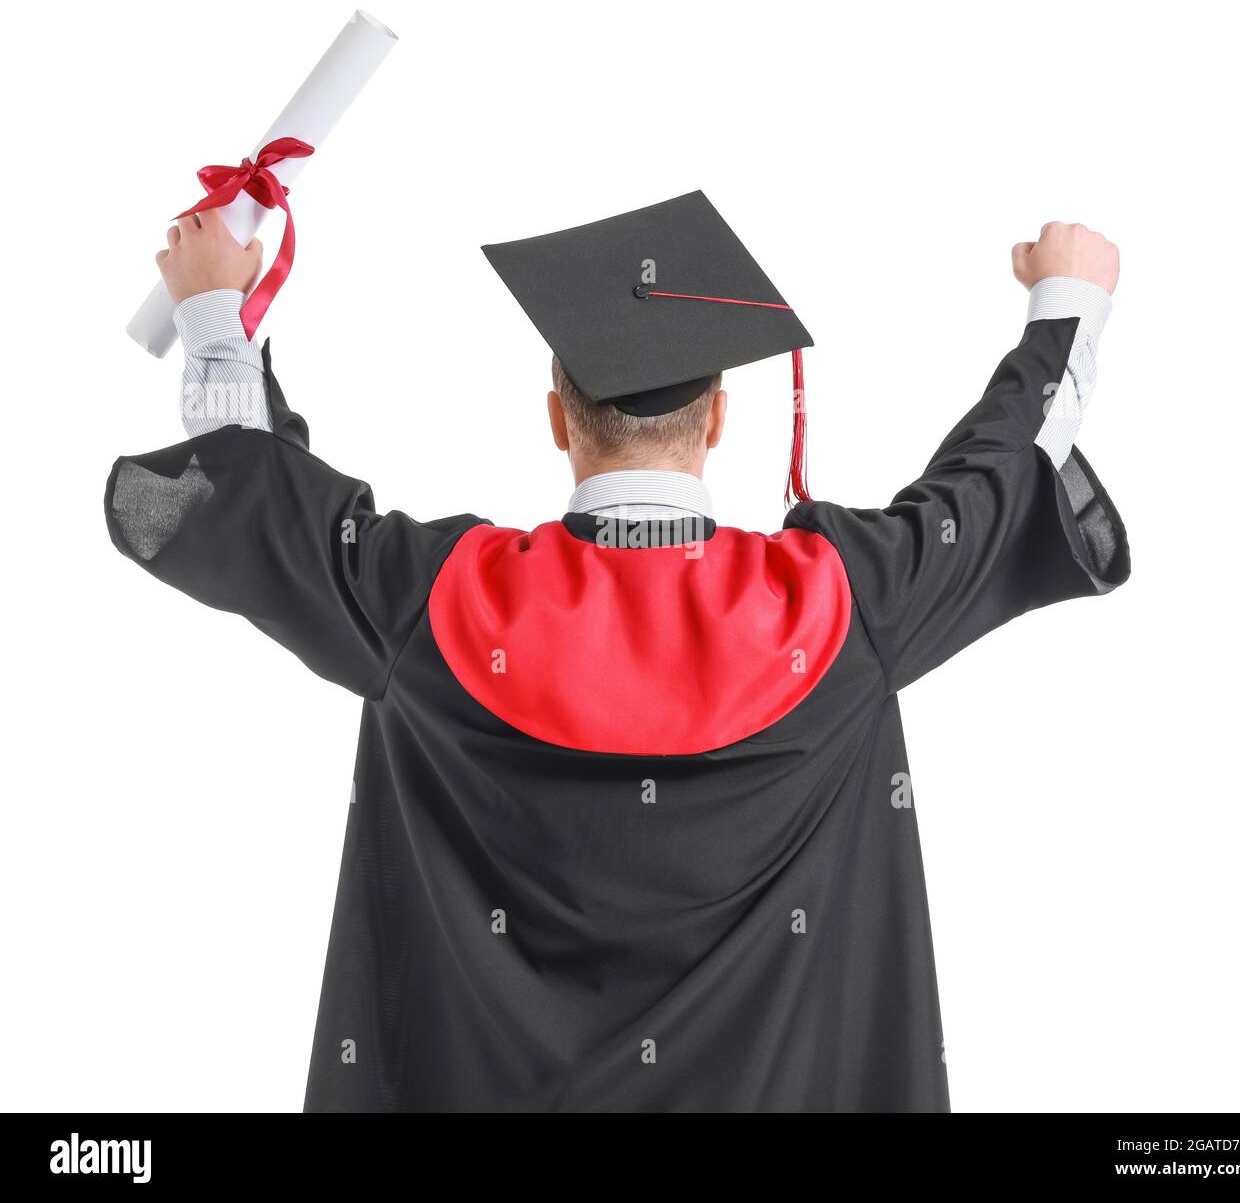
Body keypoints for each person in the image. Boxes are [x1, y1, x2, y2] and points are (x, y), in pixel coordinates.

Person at [105, 192, 1129, 1112]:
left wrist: (217, 312)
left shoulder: (434, 600)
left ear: (558, 419)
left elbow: (249, 498)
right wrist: (1064, 302)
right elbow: (998, 475)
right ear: (720, 419)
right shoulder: (837, 604)